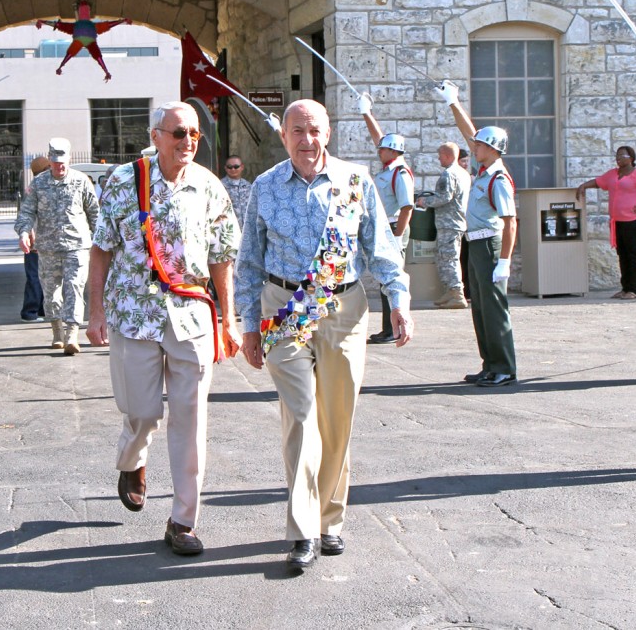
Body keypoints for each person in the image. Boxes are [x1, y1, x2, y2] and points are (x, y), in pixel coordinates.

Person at [237, 99, 412, 573]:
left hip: (343, 307)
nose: (306, 140)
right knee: (300, 416)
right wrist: (248, 325)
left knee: (336, 418)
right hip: (284, 310)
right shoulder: (266, 187)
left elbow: (380, 246)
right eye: (297, 130)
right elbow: (249, 262)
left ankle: (331, 517)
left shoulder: (354, 181)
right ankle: (302, 529)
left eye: (314, 130)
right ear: (284, 135)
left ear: (328, 133)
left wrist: (398, 300)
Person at [88, 101, 240, 557]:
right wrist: (94, 312)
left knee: (191, 421)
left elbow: (222, 257)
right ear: (156, 136)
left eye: (194, 134)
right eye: (178, 133)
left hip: (191, 315)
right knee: (142, 411)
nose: (188, 142)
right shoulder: (122, 181)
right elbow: (101, 249)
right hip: (134, 314)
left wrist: (228, 318)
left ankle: (183, 520)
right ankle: (132, 459)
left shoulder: (209, 187)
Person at [436, 81, 518, 387]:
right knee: (481, 309)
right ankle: (490, 364)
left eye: (480, 145)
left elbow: (510, 221)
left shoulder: (498, 178)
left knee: (495, 309)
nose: (474, 147)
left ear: (493, 149)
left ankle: (504, 367)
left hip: (490, 245)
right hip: (476, 243)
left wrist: (505, 261)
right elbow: (468, 131)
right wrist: (453, 102)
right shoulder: (484, 171)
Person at [14, 138, 99, 355]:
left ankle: (72, 334)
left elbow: (94, 214)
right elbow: (26, 212)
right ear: (50, 160)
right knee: (51, 293)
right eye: (55, 162)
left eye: (62, 162)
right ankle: (57, 332)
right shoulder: (39, 184)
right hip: (48, 248)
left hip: (77, 246)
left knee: (74, 288)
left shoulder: (81, 182)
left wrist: (100, 241)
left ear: (69, 159)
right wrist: (24, 232)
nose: (59, 167)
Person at [359, 94, 414, 344]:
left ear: (393, 151)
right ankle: (387, 328)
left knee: (391, 279)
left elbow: (406, 208)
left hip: (394, 227)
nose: (378, 150)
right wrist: (365, 113)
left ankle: (393, 329)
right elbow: (377, 137)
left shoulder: (400, 173)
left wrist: (398, 236)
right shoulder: (388, 168)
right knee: (383, 281)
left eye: (383, 149)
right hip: (385, 226)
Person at [575, 146, 636, 299]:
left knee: (633, 255)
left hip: (634, 222)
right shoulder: (612, 174)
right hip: (618, 222)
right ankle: (625, 288)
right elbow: (598, 182)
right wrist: (583, 186)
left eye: (622, 155)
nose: (618, 158)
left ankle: (634, 290)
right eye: (617, 156)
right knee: (622, 255)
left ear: (631, 158)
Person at [417, 142, 470, 309]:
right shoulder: (463, 173)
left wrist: (424, 201)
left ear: (447, 156)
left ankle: (456, 293)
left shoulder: (449, 174)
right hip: (454, 222)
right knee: (444, 257)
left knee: (449, 258)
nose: (438, 159)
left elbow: (444, 197)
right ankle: (449, 291)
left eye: (440, 155)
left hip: (449, 223)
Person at [19, 156, 49, 321]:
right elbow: (27, 214)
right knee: (35, 276)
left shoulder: (40, 186)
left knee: (42, 276)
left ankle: (40, 309)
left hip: (41, 240)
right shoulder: (36, 188)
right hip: (35, 240)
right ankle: (30, 311)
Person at [221, 154, 252, 229]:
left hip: (246, 230)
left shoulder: (248, 186)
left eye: (236, 167)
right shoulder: (220, 186)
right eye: (229, 167)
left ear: (242, 167)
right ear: (225, 168)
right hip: (229, 230)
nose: (233, 169)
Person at [458, 148, 472, 301]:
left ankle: (469, 291)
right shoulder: (455, 176)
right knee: (461, 257)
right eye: (462, 161)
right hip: (459, 222)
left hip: (470, 223)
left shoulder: (471, 177)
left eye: (467, 161)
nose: (465, 164)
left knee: (468, 258)